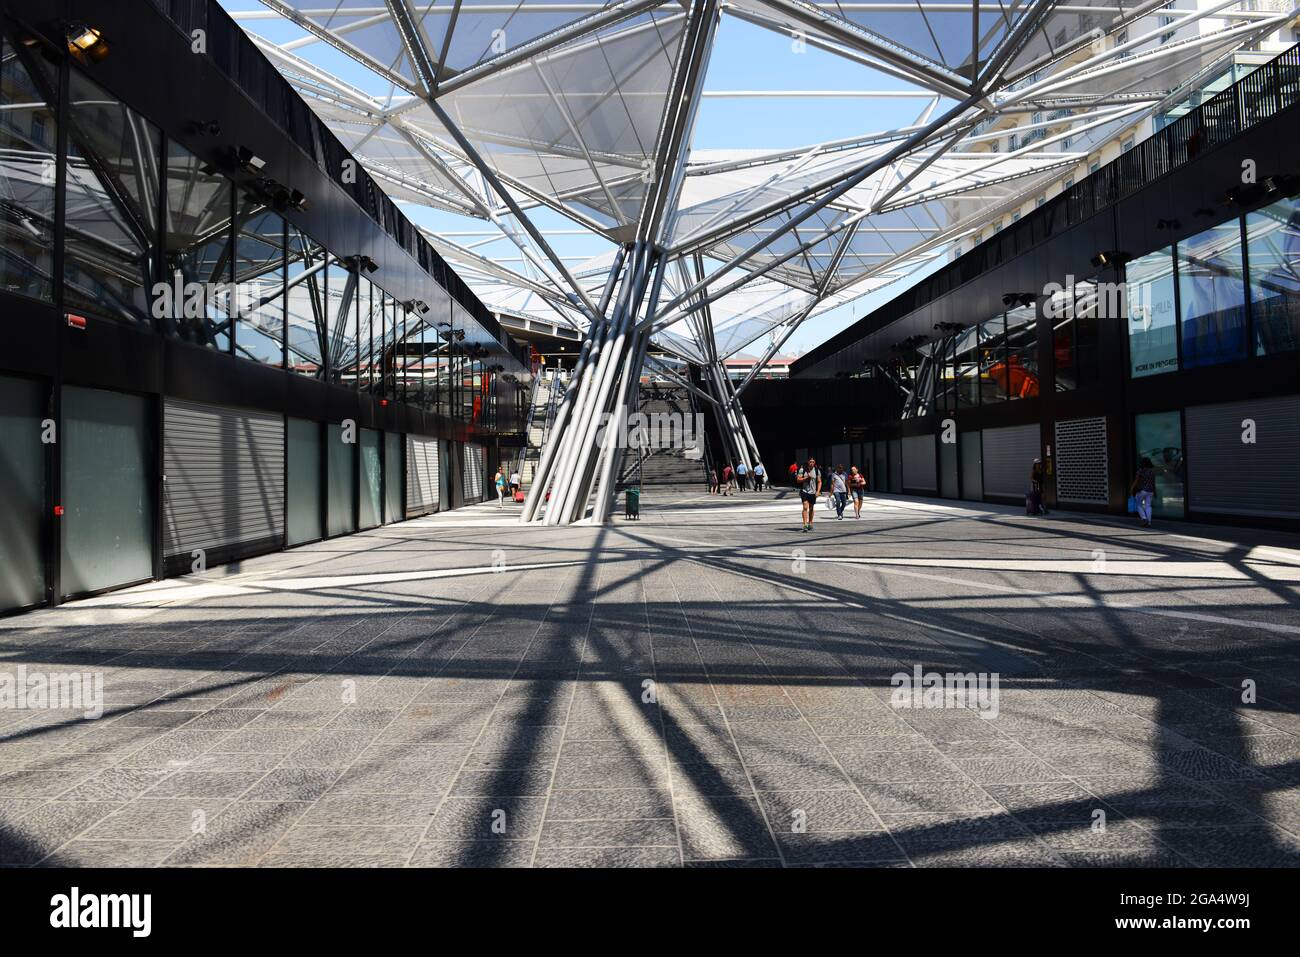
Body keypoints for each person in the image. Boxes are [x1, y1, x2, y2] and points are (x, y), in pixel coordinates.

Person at [796, 457, 821, 532]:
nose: (811, 463)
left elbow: (819, 481)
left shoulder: (817, 471)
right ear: (808, 462)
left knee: (811, 508)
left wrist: (818, 491)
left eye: (813, 462)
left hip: (813, 492)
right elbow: (798, 480)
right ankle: (805, 525)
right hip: (804, 491)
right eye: (810, 462)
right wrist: (805, 479)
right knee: (805, 507)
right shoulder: (802, 470)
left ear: (814, 463)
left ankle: (810, 523)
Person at [1131, 457, 1157, 528]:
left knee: (1138, 504)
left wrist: (1132, 488)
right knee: (1148, 506)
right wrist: (1155, 491)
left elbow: (1136, 480)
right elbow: (1153, 482)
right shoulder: (1152, 471)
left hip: (1142, 490)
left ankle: (1144, 518)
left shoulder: (1140, 470)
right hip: (1150, 491)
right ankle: (1149, 522)